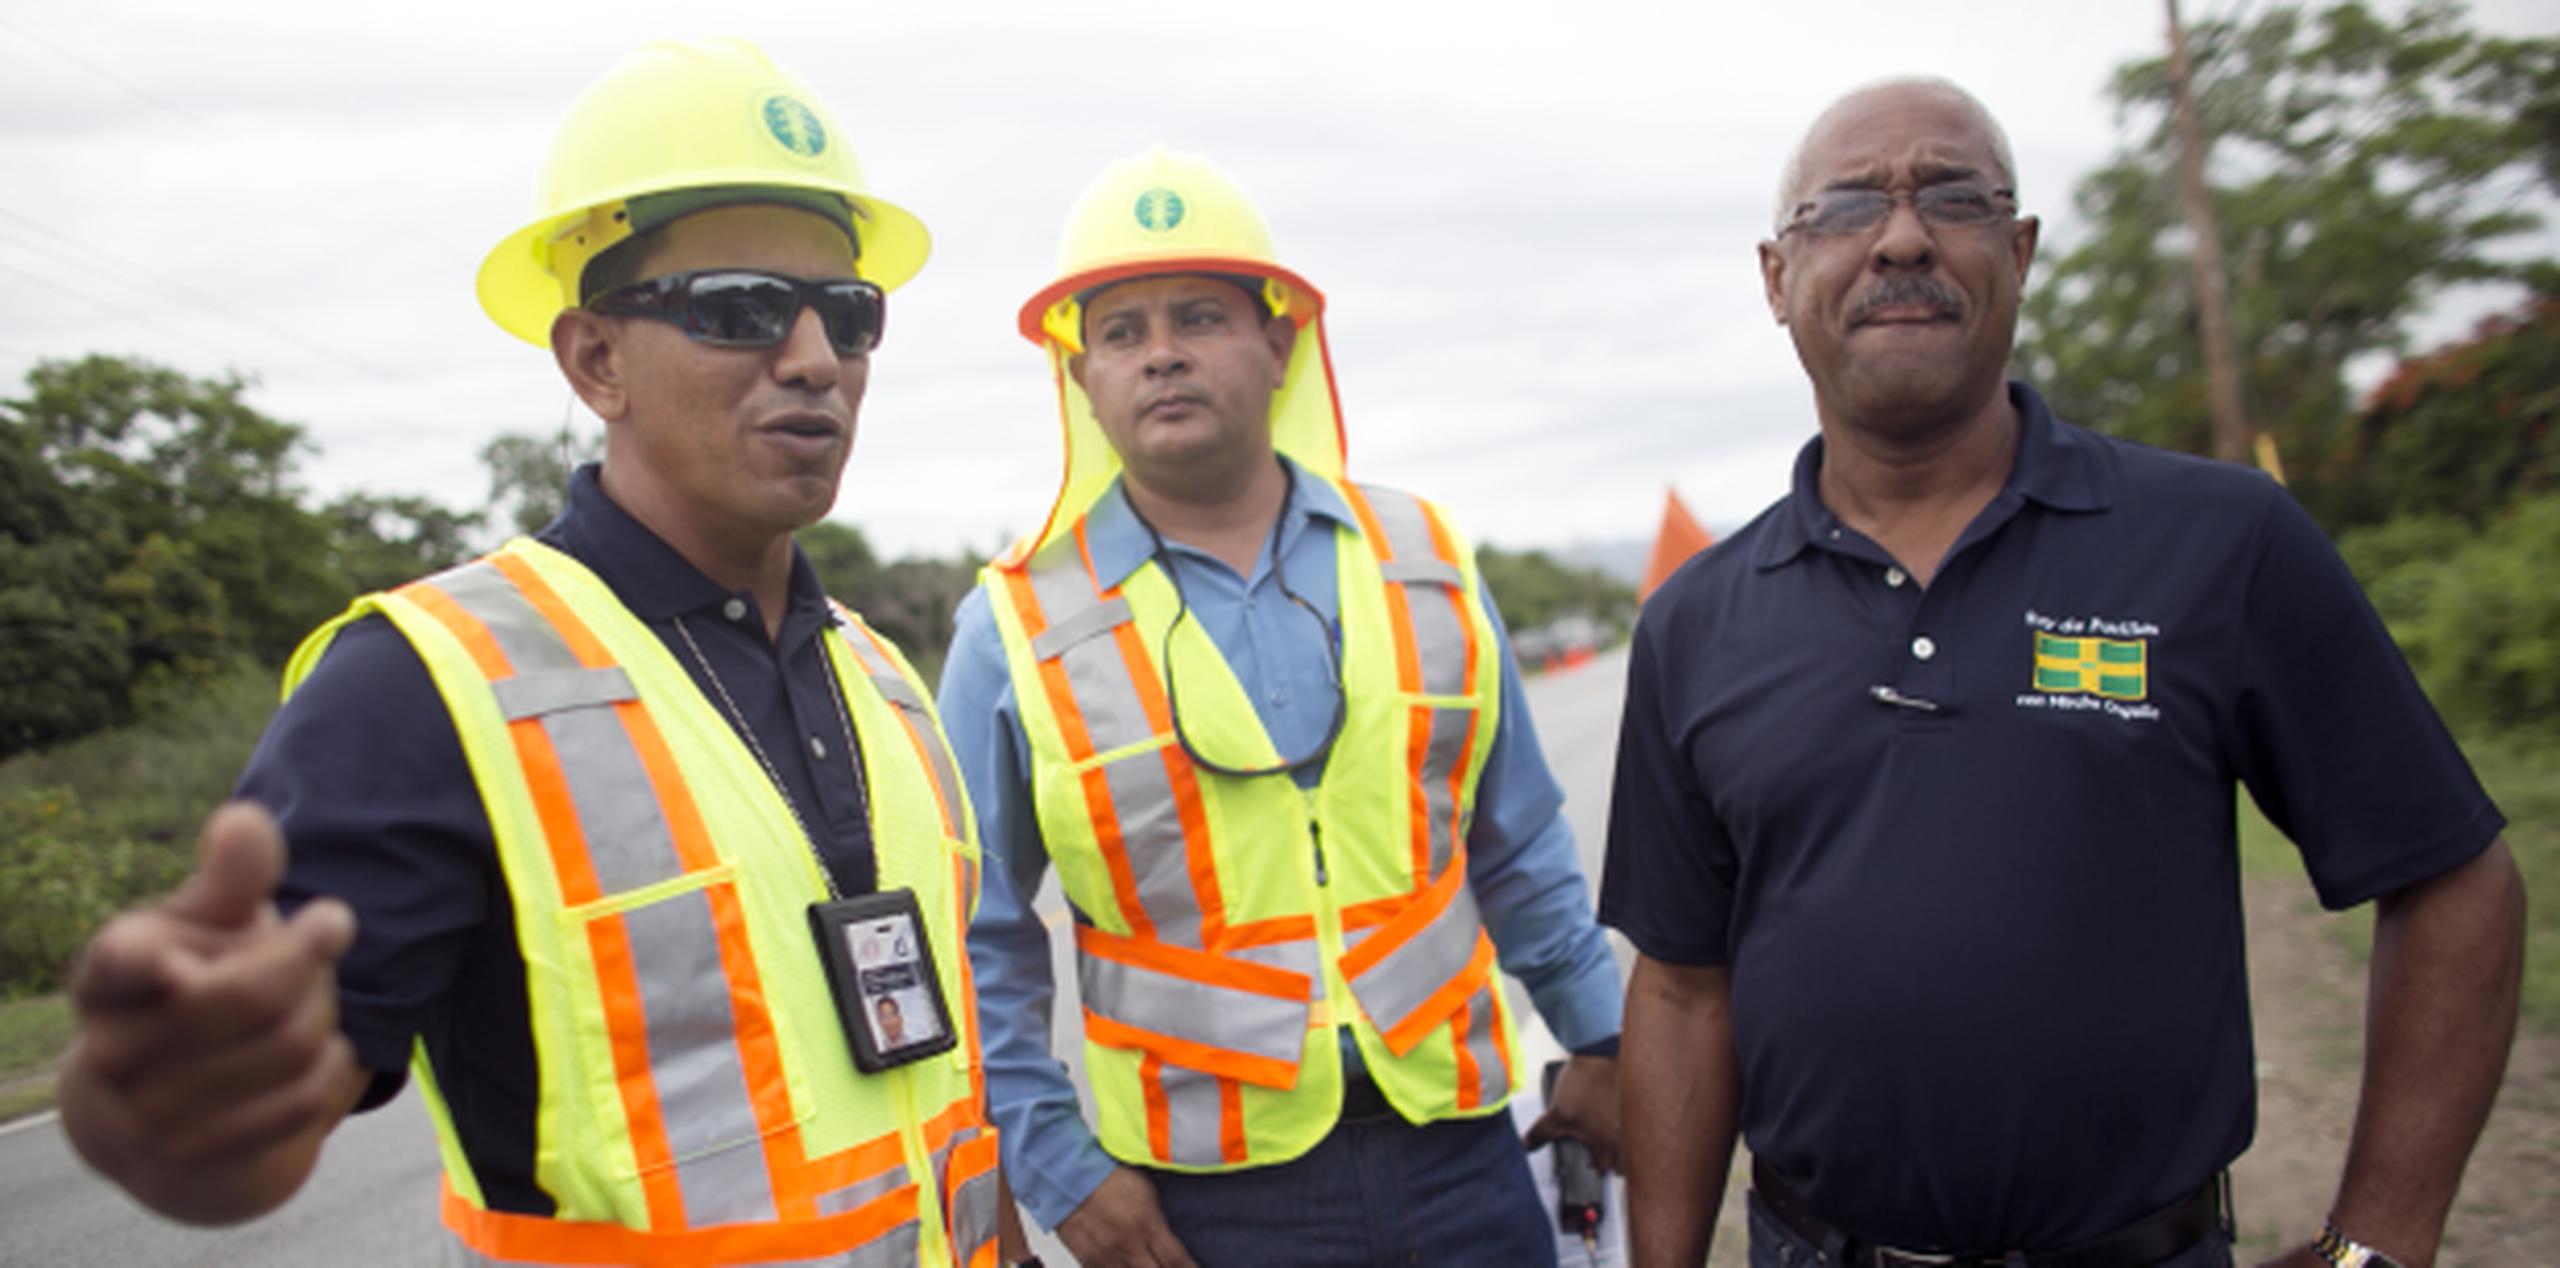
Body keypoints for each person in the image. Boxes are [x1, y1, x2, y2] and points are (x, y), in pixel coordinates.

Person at [56, 39, 1003, 1266]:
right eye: (741, 308)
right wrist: (164, 1109)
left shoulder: (882, 678)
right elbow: (236, 1095)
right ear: (594, 359)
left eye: (850, 316)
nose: (816, 356)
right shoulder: (430, 681)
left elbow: (937, 1103)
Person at [1602, 76, 2527, 1268]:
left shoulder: (2221, 539)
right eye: (1843, 209)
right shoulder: (1693, 621)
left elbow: (2454, 879)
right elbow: (1681, 992)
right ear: (1778, 279)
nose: (1900, 236)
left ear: (2019, 251)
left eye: (1953, 196)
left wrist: (2379, 1243)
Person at [935, 146, 1625, 1268]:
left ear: (1280, 342)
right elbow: (977, 942)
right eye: (1120, 331)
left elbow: (1518, 838)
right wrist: (1058, 1168)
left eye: (1198, 316)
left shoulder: (1428, 561)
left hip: (1464, 1163)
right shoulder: (1008, 631)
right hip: (1206, 1211)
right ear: (1083, 377)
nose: (1160, 353)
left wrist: (1602, 1034)